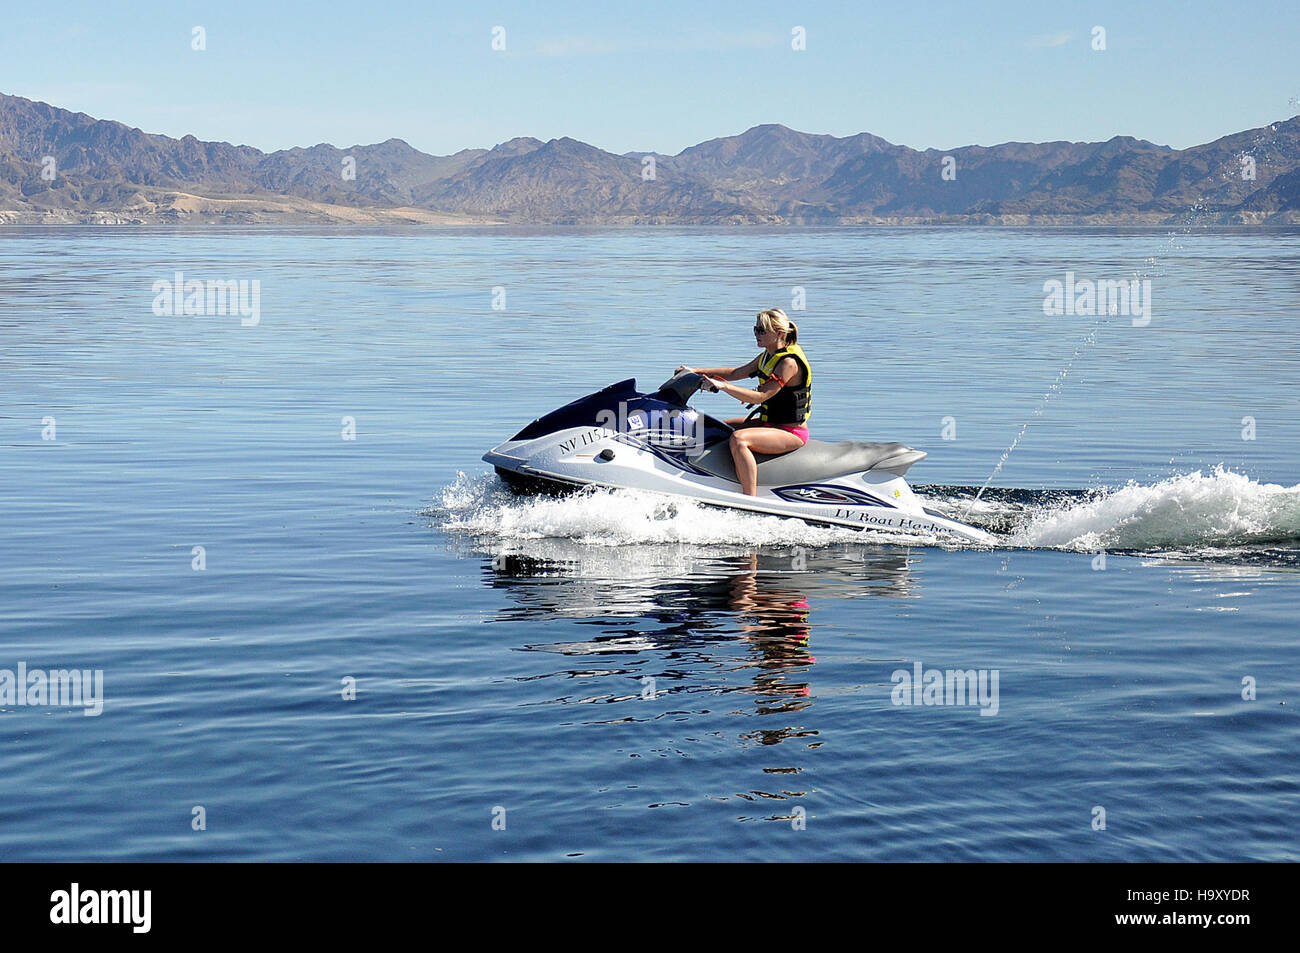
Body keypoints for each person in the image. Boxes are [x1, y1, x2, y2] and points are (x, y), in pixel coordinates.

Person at [675, 308, 812, 496]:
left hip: (790, 431)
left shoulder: (788, 363)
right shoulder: (768, 355)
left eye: (762, 330)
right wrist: (694, 371)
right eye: (755, 329)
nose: (756, 334)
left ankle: (750, 498)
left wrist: (723, 387)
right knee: (717, 427)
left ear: (779, 333)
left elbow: (761, 396)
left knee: (740, 439)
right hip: (768, 423)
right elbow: (735, 373)